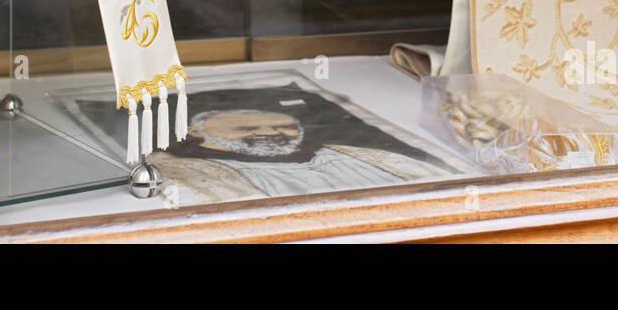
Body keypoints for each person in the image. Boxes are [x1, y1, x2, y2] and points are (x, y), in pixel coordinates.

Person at [153, 108, 449, 203]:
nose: (270, 131)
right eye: (245, 127)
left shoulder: (344, 154)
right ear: (194, 131)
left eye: (285, 127)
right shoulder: (176, 169)